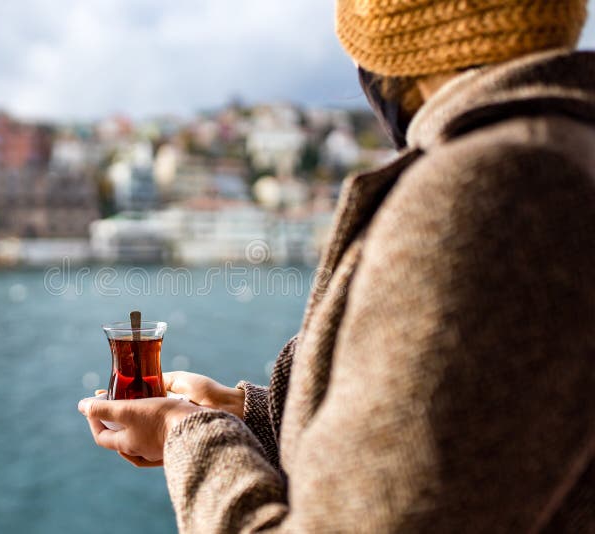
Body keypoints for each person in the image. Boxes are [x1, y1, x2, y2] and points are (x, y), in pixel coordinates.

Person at [79, 0, 595, 531]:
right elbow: (464, 438)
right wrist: (244, 412)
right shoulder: (569, 150)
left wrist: (183, 432)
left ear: (397, 50)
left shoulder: (489, 188)